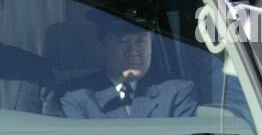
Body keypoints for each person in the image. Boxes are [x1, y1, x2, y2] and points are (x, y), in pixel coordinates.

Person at [59, 8, 197, 118]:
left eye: (141, 41)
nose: (133, 50)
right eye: (122, 42)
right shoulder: (77, 95)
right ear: (102, 47)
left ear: (151, 44)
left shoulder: (176, 92)